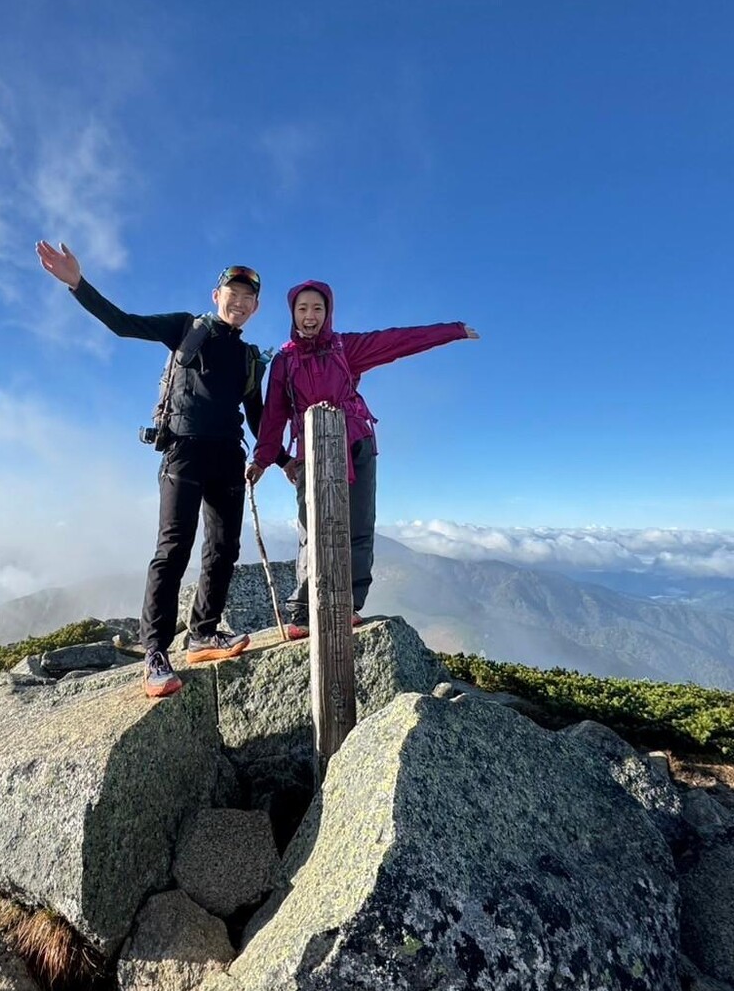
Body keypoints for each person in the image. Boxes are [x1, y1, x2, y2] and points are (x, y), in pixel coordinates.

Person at [36, 240, 288, 698]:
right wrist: (77, 284)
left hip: (229, 455)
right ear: (217, 296)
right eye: (232, 293)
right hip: (183, 452)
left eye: (248, 298)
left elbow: (258, 415)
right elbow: (124, 324)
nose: (240, 301)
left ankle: (203, 634)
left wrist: (281, 460)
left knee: (224, 548)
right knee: (173, 549)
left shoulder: (250, 358)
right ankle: (155, 651)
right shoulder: (186, 328)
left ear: (255, 307)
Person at [247, 280, 478, 638]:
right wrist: (263, 460)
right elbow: (273, 415)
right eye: (303, 308)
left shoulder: (345, 347)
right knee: (312, 529)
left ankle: (348, 604)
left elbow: (398, 341)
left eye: (318, 309)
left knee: (358, 525)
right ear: (293, 313)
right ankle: (304, 610)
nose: (310, 316)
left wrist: (453, 331)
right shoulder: (284, 362)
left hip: (356, 442)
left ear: (328, 314)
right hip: (311, 449)